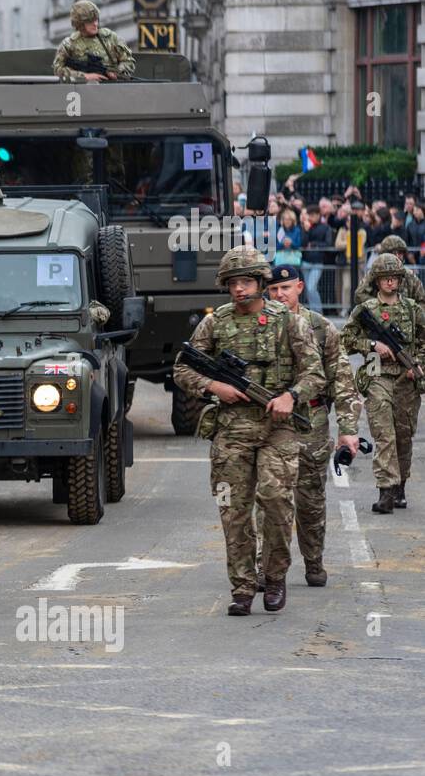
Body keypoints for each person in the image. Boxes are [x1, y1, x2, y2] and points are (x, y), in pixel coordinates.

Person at [172, 247, 324, 616]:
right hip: (232, 430)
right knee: (232, 510)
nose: (239, 290)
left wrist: (291, 395)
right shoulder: (215, 323)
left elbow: (316, 373)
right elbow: (182, 369)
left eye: (246, 282)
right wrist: (213, 387)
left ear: (261, 282)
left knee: (275, 502)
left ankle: (274, 578)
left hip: (279, 429)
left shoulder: (288, 322)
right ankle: (242, 587)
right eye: (232, 283)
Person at [266, 265, 361, 586]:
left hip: (312, 423)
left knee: (309, 500)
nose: (280, 295)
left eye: (286, 288)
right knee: (267, 498)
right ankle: (264, 567)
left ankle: (313, 561)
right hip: (270, 422)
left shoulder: (321, 329)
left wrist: (347, 428)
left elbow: (342, 381)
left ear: (300, 288)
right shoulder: (260, 326)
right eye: (274, 290)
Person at [341, 254, 425, 515]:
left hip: (405, 380)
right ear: (376, 281)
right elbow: (346, 339)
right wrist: (372, 344)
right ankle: (385, 490)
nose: (390, 282)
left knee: (403, 436)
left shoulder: (413, 309)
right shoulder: (365, 310)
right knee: (384, 435)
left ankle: (400, 484)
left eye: (394, 278)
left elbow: (423, 341)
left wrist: (418, 364)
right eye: (385, 278)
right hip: (377, 376)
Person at [52, 0, 136, 83]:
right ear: (80, 24)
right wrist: (85, 76)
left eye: (96, 19)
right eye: (90, 22)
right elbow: (58, 70)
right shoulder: (69, 44)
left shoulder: (110, 38)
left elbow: (128, 61)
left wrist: (117, 73)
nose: (95, 24)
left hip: (113, 86)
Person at [354, 235, 425, 305]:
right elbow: (359, 295)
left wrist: (412, 312)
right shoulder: (375, 273)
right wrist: (380, 305)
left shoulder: (409, 275)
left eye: (400, 253)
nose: (397, 256)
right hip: (380, 314)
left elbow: (422, 299)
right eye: (393, 253)